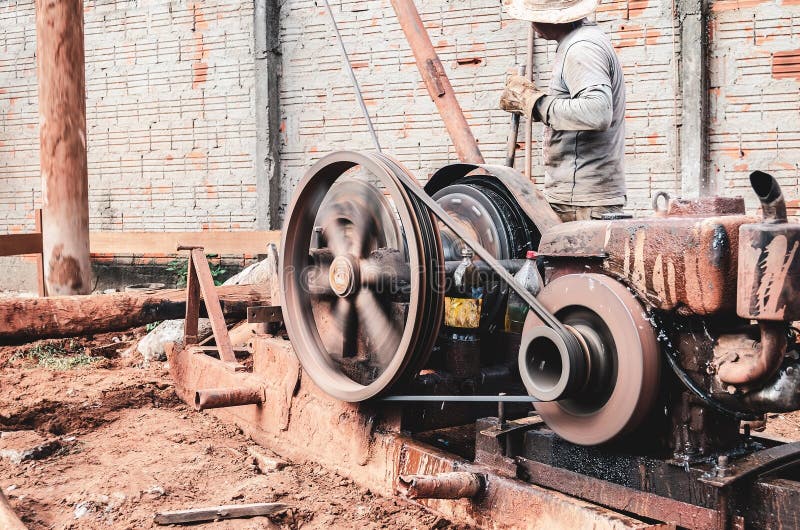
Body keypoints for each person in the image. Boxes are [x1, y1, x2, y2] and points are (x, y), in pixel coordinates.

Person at [499, 0, 627, 222]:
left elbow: (597, 112)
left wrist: (534, 103)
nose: (531, 24)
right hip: (580, 198)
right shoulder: (578, 41)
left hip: (581, 204)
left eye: (534, 17)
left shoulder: (582, 48)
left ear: (553, 17)